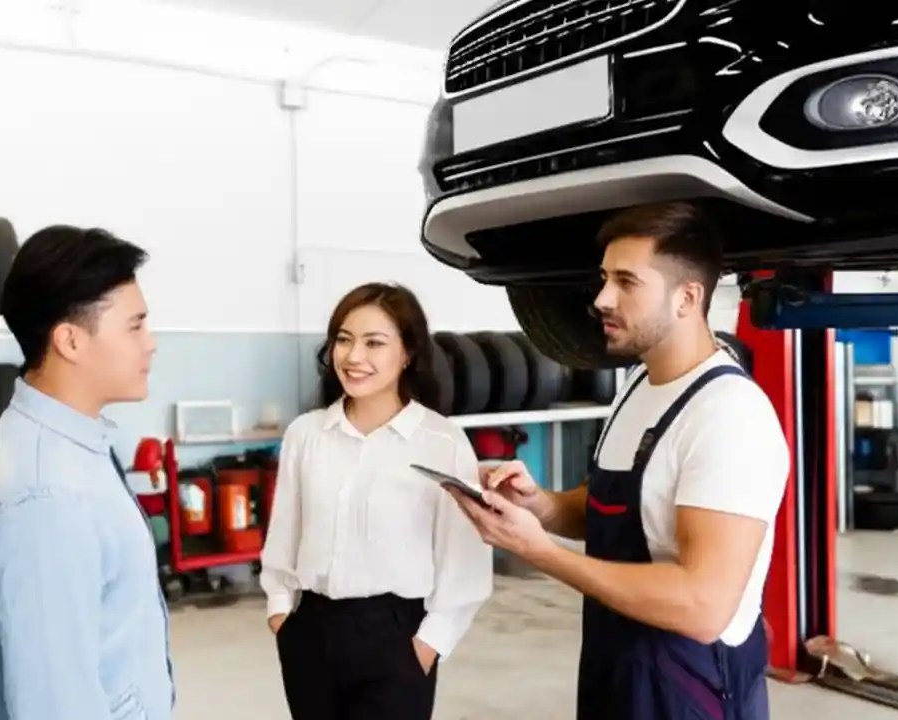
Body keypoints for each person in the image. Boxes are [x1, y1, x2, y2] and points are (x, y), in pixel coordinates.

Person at [449, 201, 789, 720]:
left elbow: (703, 605)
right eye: (604, 278)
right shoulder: (637, 386)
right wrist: (539, 503)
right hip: (619, 667)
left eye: (627, 282)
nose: (602, 299)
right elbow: (612, 509)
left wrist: (540, 553)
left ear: (687, 298)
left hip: (691, 687)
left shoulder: (729, 416)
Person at [0, 226, 174, 720]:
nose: (151, 344)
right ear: (71, 341)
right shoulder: (45, 499)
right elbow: (54, 706)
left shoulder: (73, 446)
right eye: (134, 326)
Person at [259, 282, 494, 720]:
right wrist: (280, 614)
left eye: (374, 343)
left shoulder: (441, 441)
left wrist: (426, 647)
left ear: (407, 354)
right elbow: (285, 534)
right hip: (310, 631)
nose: (353, 356)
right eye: (344, 340)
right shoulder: (306, 435)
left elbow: (463, 564)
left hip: (396, 638)